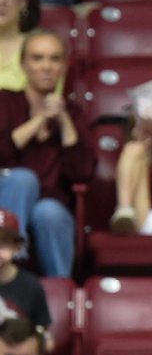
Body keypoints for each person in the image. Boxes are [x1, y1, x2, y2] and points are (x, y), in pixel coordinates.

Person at [0, 29, 88, 276]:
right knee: (23, 179)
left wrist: (65, 122)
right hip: (4, 199)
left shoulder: (74, 113)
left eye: (54, 59)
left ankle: (58, 295)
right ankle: (10, 251)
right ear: (23, 65)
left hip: (50, 205)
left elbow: (81, 172)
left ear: (63, 66)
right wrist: (39, 120)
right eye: (37, 58)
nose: (46, 66)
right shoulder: (5, 102)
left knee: (48, 211)